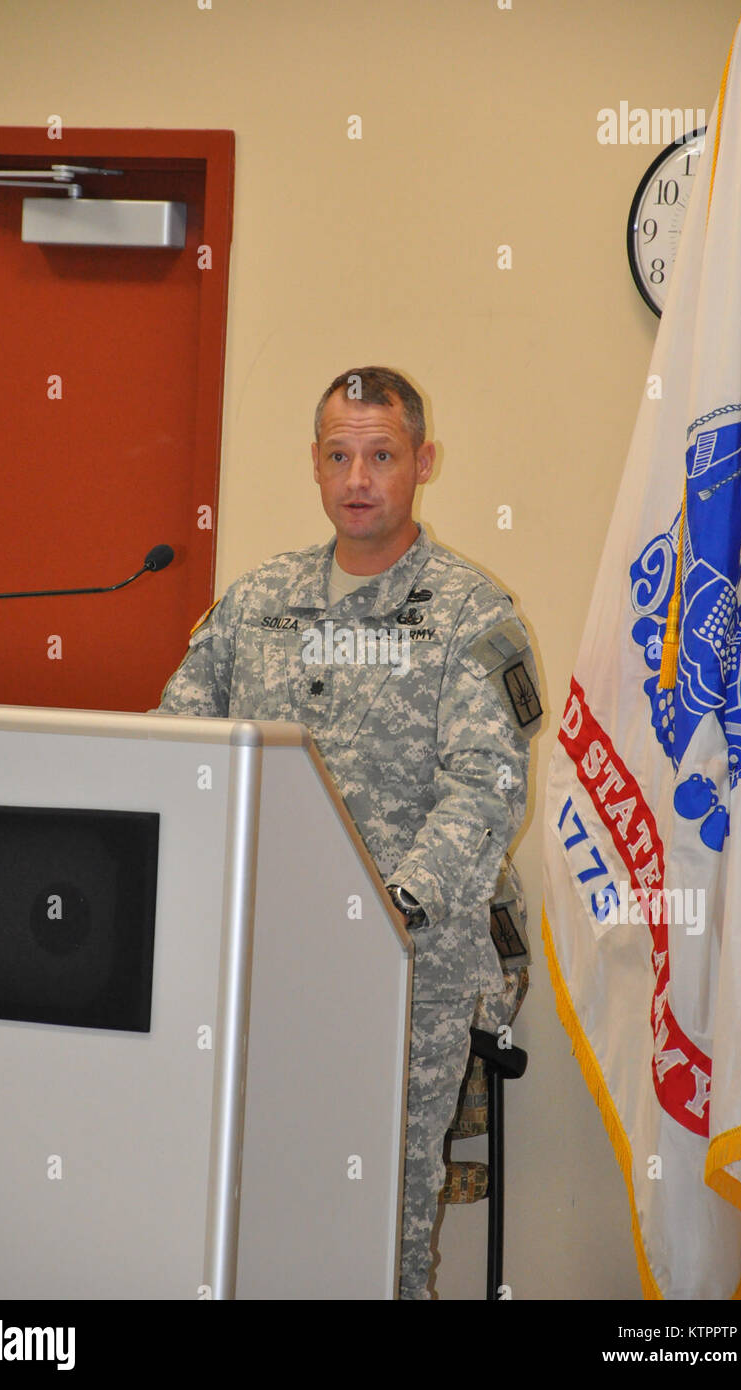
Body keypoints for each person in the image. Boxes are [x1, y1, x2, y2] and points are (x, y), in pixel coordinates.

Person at [157, 366, 540, 1298]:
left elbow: (484, 790)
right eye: (339, 455)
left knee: (381, 1239)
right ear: (316, 466)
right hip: (258, 972)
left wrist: (381, 912)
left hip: (403, 979)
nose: (358, 477)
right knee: (244, 1211)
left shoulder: (469, 613)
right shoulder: (256, 605)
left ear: (424, 463)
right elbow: (176, 747)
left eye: (381, 455)